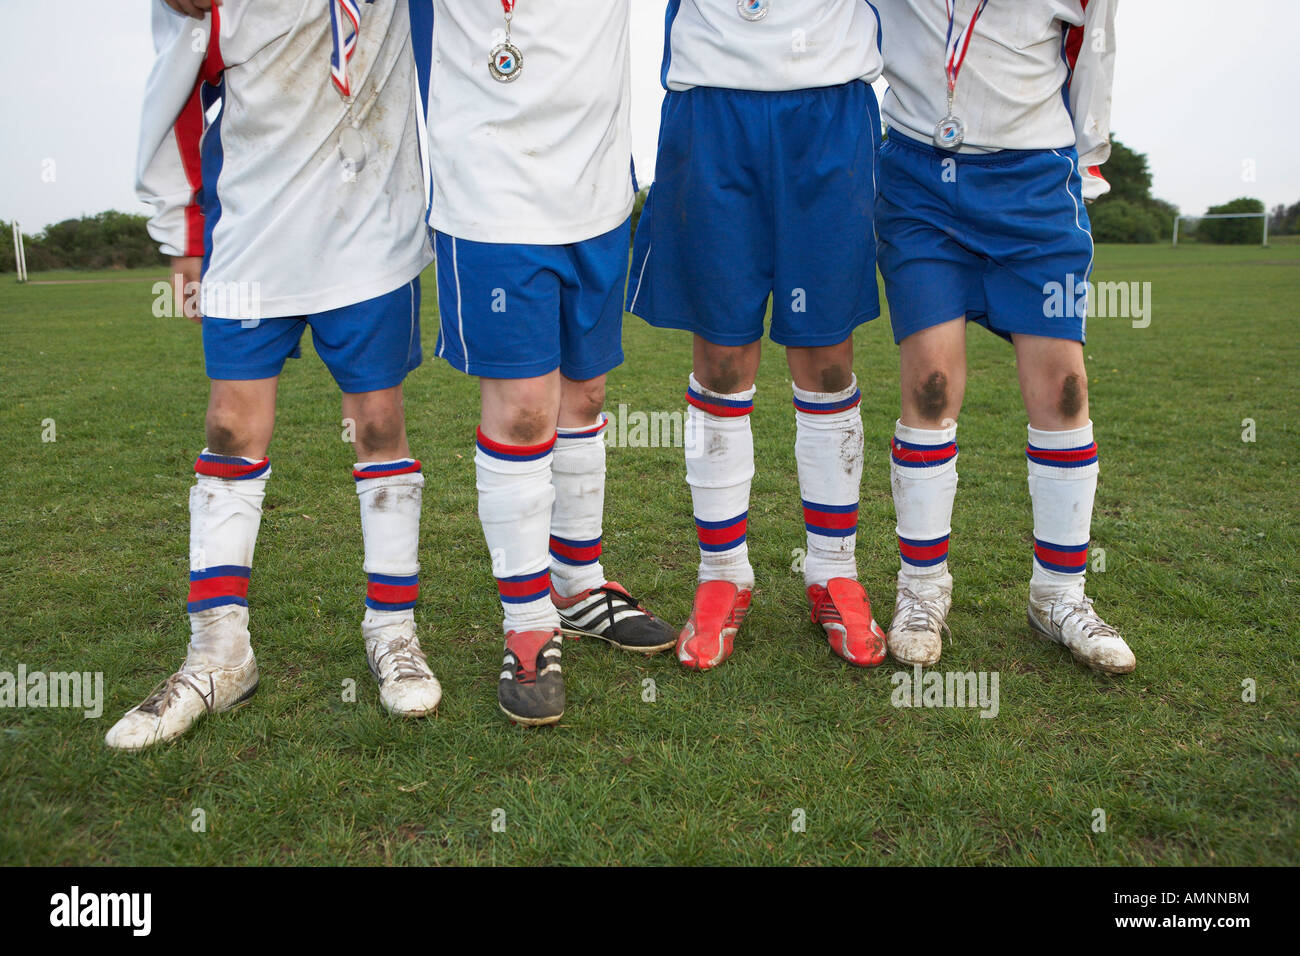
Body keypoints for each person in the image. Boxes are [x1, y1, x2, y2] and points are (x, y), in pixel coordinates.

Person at [106, 0, 441, 751]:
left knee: (379, 424)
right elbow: (175, 90)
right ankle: (220, 653)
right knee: (230, 424)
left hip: (371, 229)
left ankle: (393, 632)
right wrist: (179, 230)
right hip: (251, 231)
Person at [423, 0, 674, 726]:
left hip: (595, 191)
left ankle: (577, 586)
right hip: (488, 191)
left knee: (585, 396)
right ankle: (528, 619)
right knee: (526, 405)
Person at [872, 0, 1135, 674]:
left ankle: (1059, 596)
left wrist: (1090, 157)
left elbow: (1093, 49)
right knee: (930, 384)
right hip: (919, 177)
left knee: (1064, 388)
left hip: (1036, 182)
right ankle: (922, 590)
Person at [627, 0, 888, 670]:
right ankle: (722, 573)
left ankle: (833, 569)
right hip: (712, 103)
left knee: (827, 357)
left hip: (828, 105)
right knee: (720, 356)